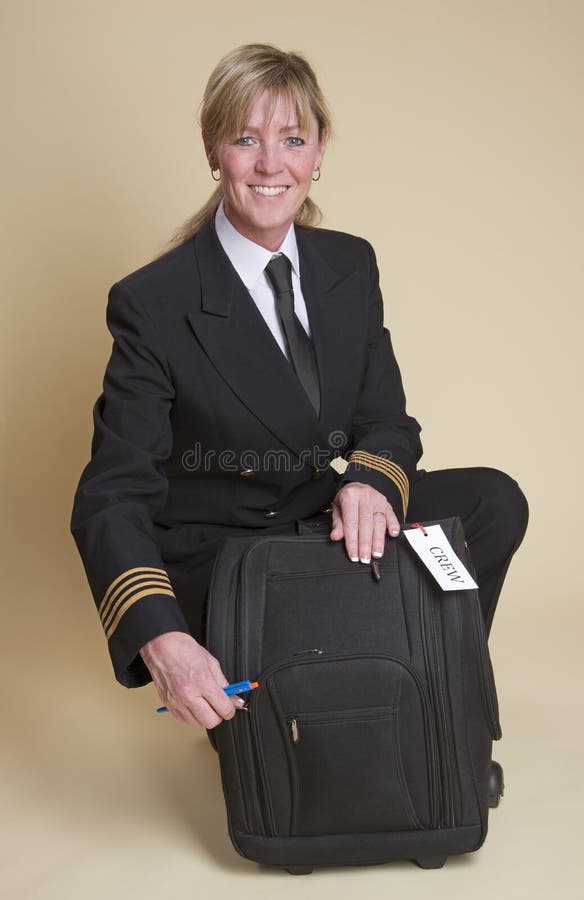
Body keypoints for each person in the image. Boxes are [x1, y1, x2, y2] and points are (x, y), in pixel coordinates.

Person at [71, 43, 528, 732]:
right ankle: (358, 695)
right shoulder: (154, 302)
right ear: (212, 149)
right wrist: (162, 641)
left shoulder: (350, 265)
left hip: (329, 532)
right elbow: (111, 496)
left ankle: (434, 713)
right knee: (297, 747)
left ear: (318, 154)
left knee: (491, 502)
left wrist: (368, 484)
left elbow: (388, 425)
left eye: (292, 139)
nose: (270, 164)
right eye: (245, 139)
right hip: (235, 565)